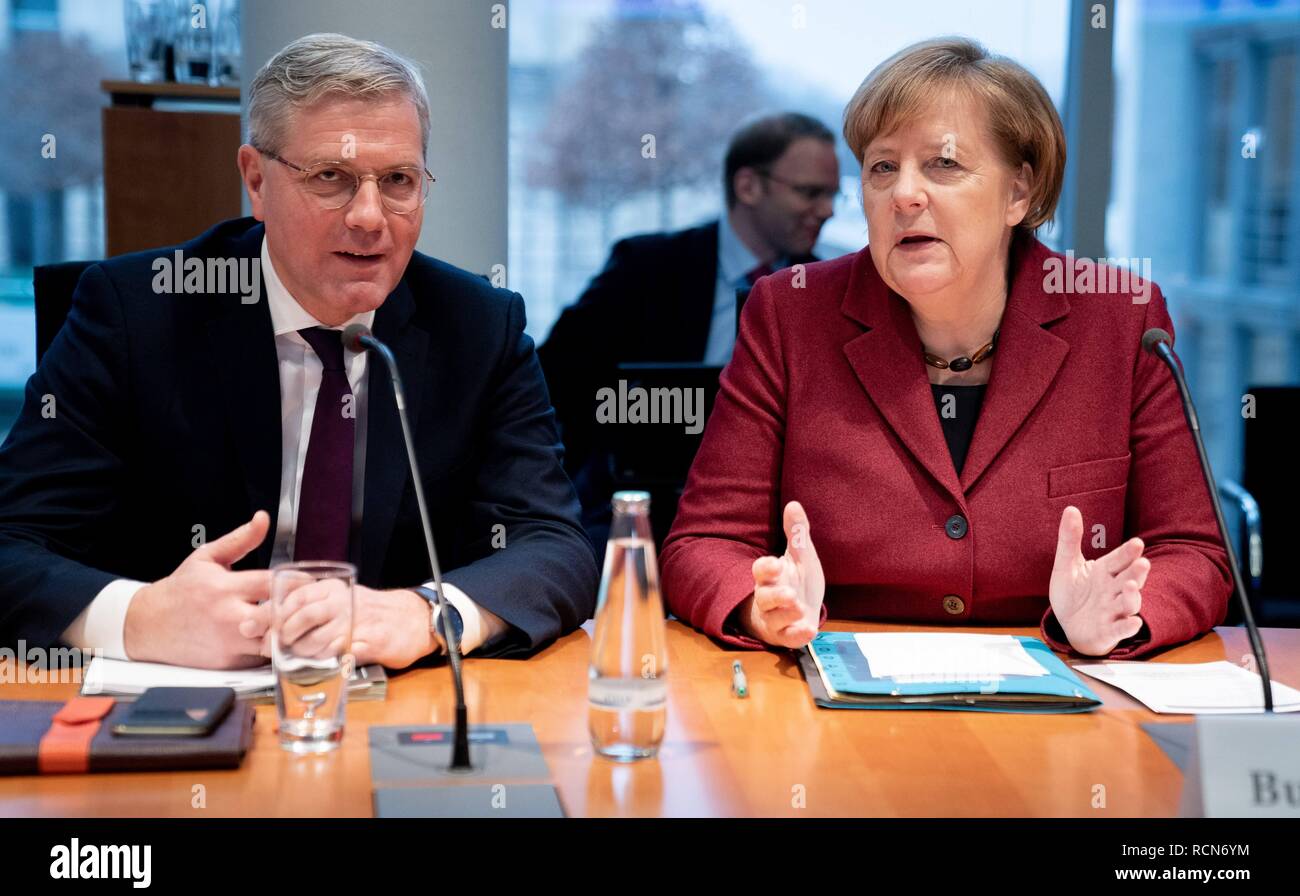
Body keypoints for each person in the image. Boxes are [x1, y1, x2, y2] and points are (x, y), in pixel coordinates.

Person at [0, 33, 597, 669]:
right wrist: (139, 617)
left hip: (388, 712)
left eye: (397, 180)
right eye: (332, 178)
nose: (370, 216)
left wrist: (429, 612)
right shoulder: (135, 314)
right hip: (173, 710)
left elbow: (555, 544)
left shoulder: (479, 327)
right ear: (256, 180)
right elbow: (12, 543)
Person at [660, 38, 1231, 658]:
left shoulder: (1119, 319)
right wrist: (761, 603)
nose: (903, 194)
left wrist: (1121, 614)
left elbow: (1194, 553)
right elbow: (703, 544)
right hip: (838, 692)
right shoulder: (790, 312)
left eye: (944, 165)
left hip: (1064, 695)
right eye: (882, 168)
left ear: (1021, 194)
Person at [539, 112, 840, 550]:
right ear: (748, 186)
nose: (827, 210)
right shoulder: (647, 267)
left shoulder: (826, 285)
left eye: (832, 194)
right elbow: (554, 382)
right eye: (810, 192)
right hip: (643, 512)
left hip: (787, 524)